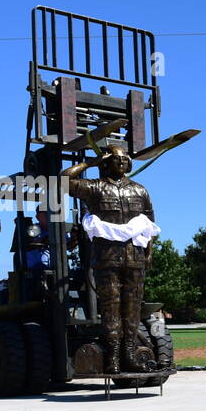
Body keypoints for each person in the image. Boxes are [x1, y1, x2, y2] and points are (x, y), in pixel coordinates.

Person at [63, 142, 160, 374]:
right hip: (107, 259)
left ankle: (129, 355)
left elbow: (149, 224)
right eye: (117, 158)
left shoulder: (140, 190)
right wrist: (90, 163)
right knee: (111, 309)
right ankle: (113, 358)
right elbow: (63, 181)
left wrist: (149, 251)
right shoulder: (96, 188)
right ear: (107, 162)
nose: (123, 161)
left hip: (134, 259)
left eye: (125, 158)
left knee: (132, 309)